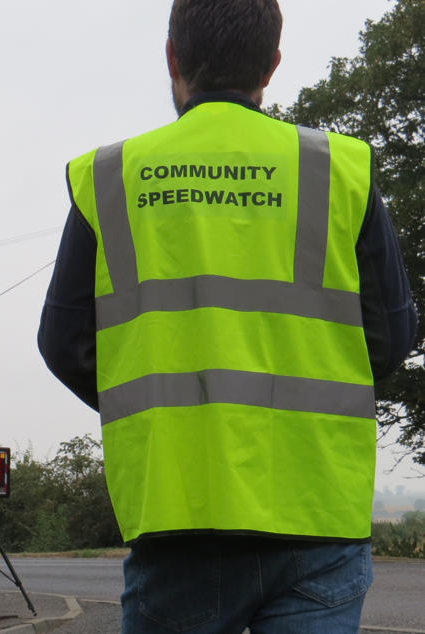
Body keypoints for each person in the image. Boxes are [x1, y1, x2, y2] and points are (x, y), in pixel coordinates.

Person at [38, 1, 417, 631]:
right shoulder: (339, 169)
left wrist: (161, 405)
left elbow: (63, 342)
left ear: (172, 58)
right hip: (316, 511)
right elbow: (393, 333)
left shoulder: (110, 177)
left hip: (178, 514)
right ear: (272, 65)